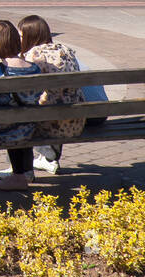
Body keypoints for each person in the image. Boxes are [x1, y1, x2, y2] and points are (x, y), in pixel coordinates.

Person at [9, 14, 89, 177]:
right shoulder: (66, 50)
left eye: (21, 36)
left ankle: (21, 171)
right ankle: (48, 155)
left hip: (53, 126)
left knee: (13, 114)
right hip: (76, 122)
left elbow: (24, 93)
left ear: (31, 36)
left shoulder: (34, 55)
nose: (18, 39)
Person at [0, 20, 45, 191]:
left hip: (2, 132)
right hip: (29, 129)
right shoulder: (34, 69)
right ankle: (21, 173)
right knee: (18, 118)